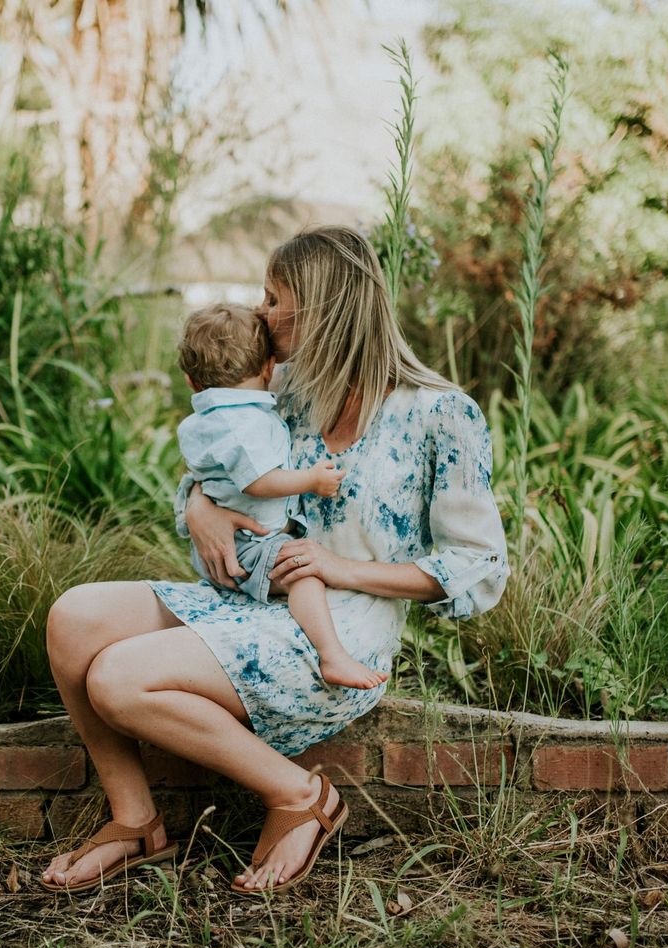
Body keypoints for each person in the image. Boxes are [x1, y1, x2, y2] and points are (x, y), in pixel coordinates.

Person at [40, 225, 509, 895]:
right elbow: (225, 478)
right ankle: (136, 819)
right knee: (73, 618)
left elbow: (480, 566)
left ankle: (301, 796)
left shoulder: (439, 414)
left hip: (338, 635)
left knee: (118, 678)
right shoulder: (283, 391)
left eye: (273, 296)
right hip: (251, 594)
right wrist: (200, 503)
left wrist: (339, 568)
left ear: (320, 307)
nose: (261, 312)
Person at [172, 301, 388, 691]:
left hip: (226, 546)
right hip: (250, 546)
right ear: (270, 368)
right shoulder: (245, 422)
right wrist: (310, 480)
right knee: (304, 576)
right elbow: (258, 482)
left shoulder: (204, 420)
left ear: (191, 382)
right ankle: (332, 656)